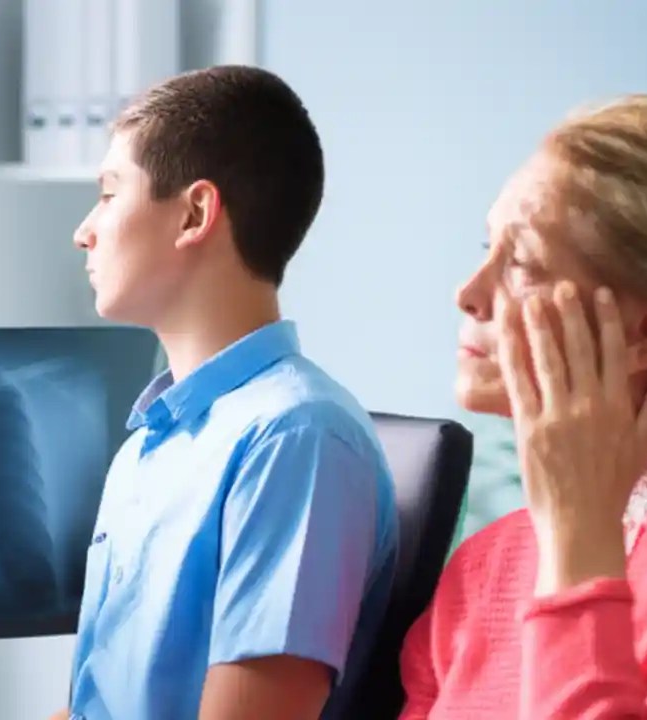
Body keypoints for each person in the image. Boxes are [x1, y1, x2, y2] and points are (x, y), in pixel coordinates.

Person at [55, 65, 399, 720]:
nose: (84, 231)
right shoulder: (147, 447)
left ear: (194, 213)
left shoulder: (296, 438)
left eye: (108, 194)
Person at [399, 94, 647, 717]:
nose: (468, 294)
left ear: (645, 337)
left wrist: (580, 536)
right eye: (486, 248)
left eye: (521, 263)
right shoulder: (482, 568)